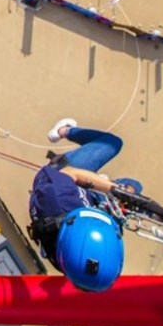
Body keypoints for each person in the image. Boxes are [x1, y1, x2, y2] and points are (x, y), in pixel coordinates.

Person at [27, 118, 126, 291]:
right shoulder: (72, 261)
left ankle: (62, 131)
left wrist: (115, 190)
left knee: (111, 143)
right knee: (133, 187)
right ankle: (101, 189)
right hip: (79, 209)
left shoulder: (58, 197)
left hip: (62, 178)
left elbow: (71, 173)